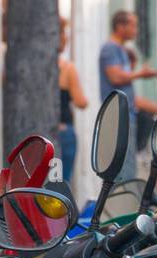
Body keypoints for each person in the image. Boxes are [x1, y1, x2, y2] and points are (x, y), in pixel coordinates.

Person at [99, 10, 157, 181]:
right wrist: (141, 74)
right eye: (133, 25)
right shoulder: (111, 48)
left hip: (126, 115)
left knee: (128, 165)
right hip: (118, 117)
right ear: (120, 26)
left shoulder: (121, 50)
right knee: (123, 167)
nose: (136, 30)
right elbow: (115, 77)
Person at [58, 17, 89, 185]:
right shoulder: (67, 68)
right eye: (63, 32)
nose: (66, 37)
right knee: (62, 181)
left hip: (38, 136)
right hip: (63, 130)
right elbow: (81, 102)